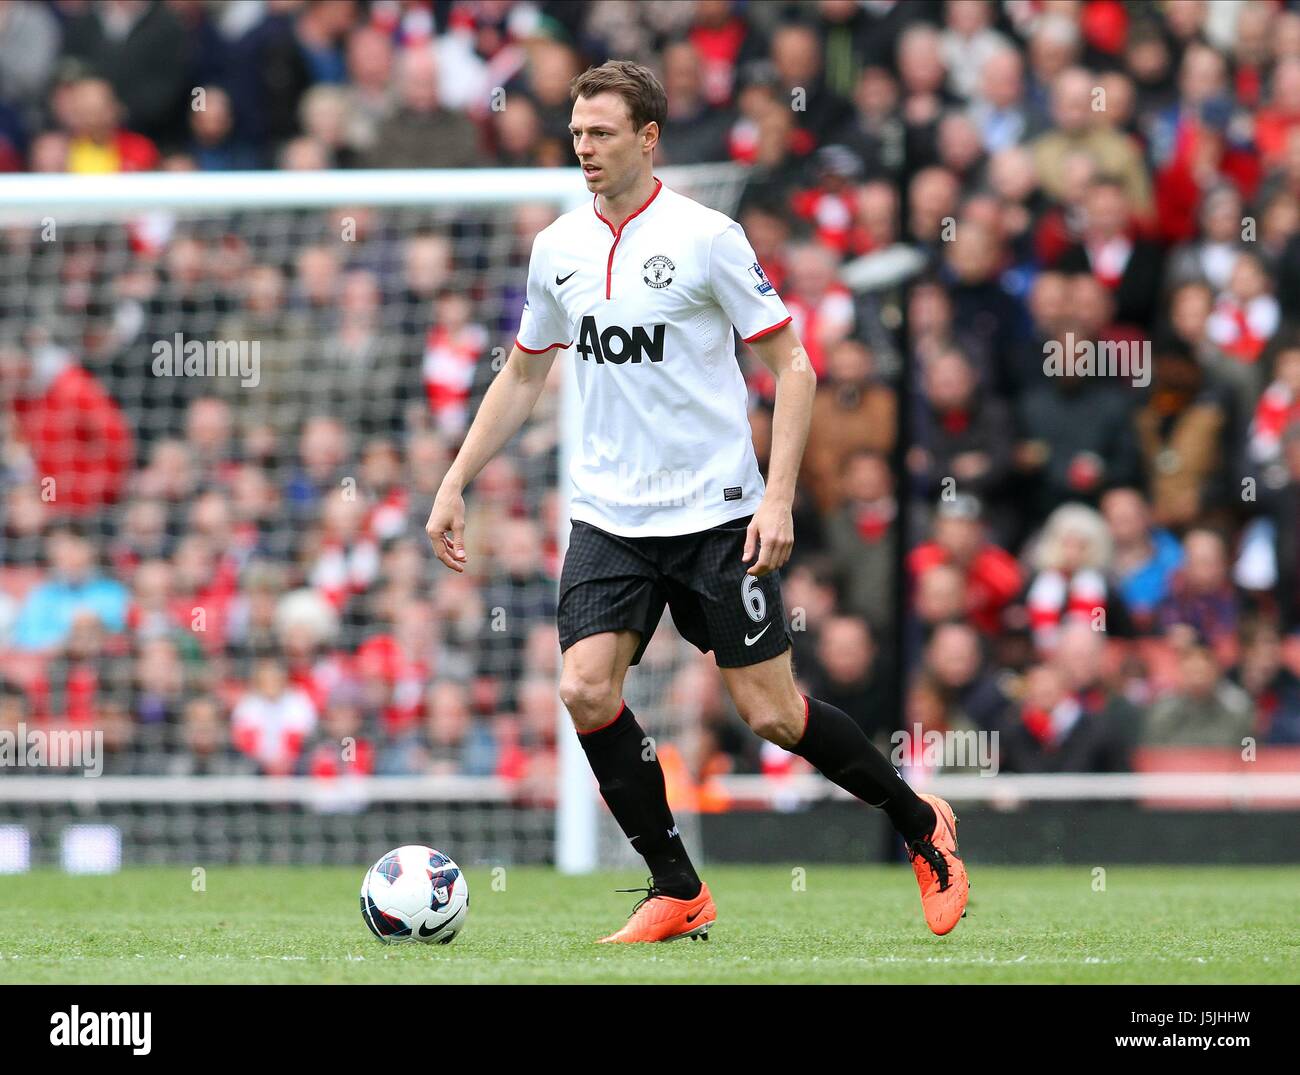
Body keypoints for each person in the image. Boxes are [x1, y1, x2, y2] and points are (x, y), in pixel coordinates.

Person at [424, 60, 968, 943]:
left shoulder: (708, 236)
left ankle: (921, 824)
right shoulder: (556, 247)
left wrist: (777, 497)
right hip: (609, 519)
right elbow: (524, 372)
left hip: (716, 513)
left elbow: (794, 365)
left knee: (771, 714)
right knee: (583, 687)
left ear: (648, 137)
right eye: (575, 135)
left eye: (601, 134)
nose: (584, 150)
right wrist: (455, 479)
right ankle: (675, 883)